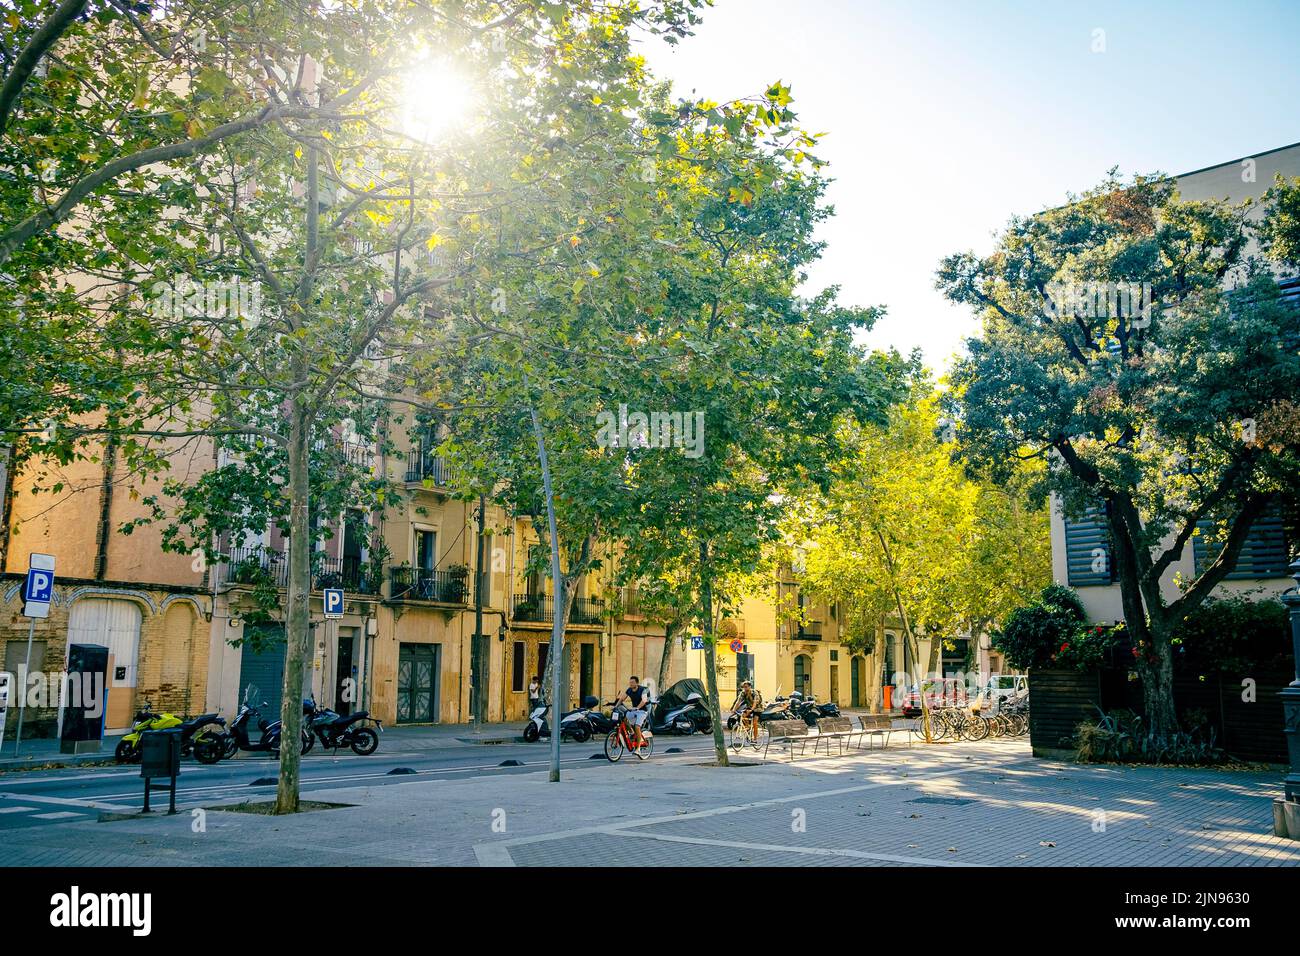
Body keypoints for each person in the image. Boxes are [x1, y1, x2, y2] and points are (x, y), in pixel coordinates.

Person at [614, 675, 652, 744]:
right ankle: (631, 732)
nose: (631, 684)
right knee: (624, 719)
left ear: (637, 683)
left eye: (632, 682)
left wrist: (637, 708)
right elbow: (622, 699)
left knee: (637, 726)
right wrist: (615, 707)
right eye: (630, 682)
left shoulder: (643, 690)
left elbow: (643, 701)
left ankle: (639, 744)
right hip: (635, 710)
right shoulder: (629, 690)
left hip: (643, 710)